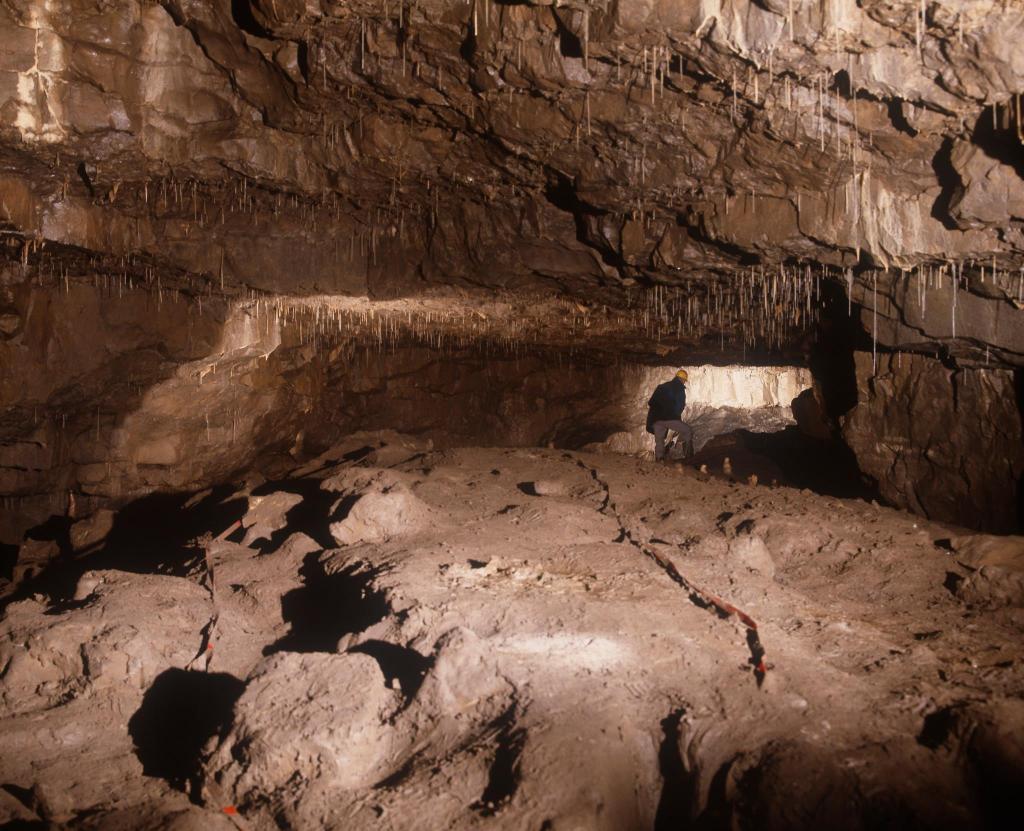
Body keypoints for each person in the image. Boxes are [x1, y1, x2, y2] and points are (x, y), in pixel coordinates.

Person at [646, 369, 694, 461]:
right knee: (688, 431)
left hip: (656, 419)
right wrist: (675, 417)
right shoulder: (679, 389)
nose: (684, 382)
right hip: (669, 418)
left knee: (659, 441)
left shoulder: (661, 387)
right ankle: (689, 457)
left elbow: (651, 402)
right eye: (684, 380)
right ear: (682, 380)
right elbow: (680, 406)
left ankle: (659, 460)